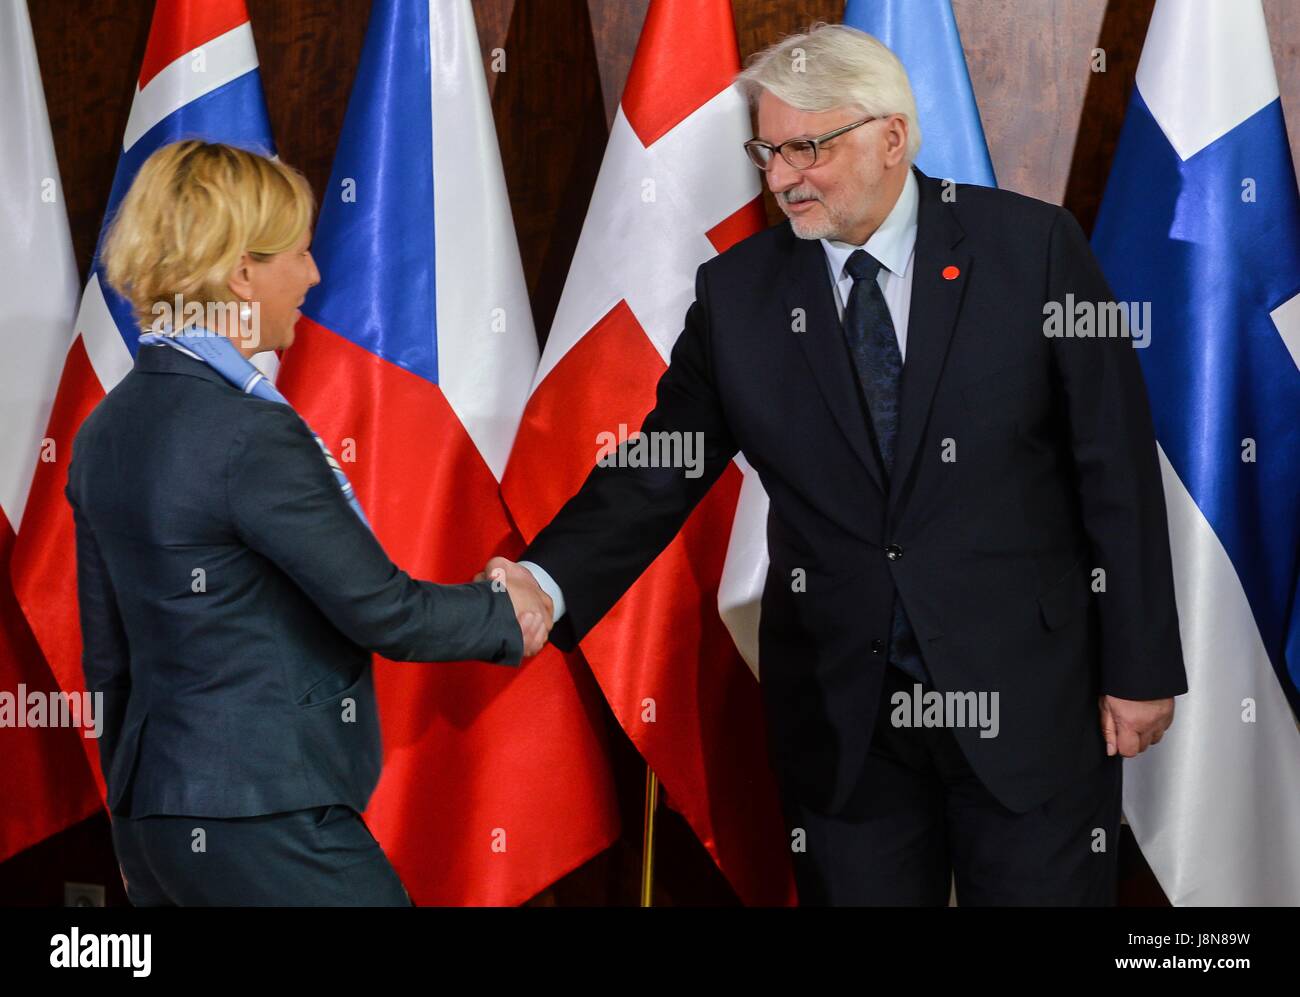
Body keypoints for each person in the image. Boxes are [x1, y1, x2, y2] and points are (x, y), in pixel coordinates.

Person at [491, 24, 1188, 905]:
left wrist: (1140, 666)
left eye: (806, 148)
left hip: (1029, 698)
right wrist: (546, 582)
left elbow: (1116, 470)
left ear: (891, 137)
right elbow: (662, 467)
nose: (781, 178)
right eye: (768, 150)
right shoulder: (740, 294)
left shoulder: (1033, 251)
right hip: (845, 717)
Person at [69, 139, 551, 906]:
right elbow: (384, 610)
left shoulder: (105, 427)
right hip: (268, 818)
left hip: (155, 820)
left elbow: (109, 662)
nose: (315, 275)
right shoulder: (248, 432)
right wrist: (510, 612)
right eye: (299, 252)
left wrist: (137, 818)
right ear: (239, 272)